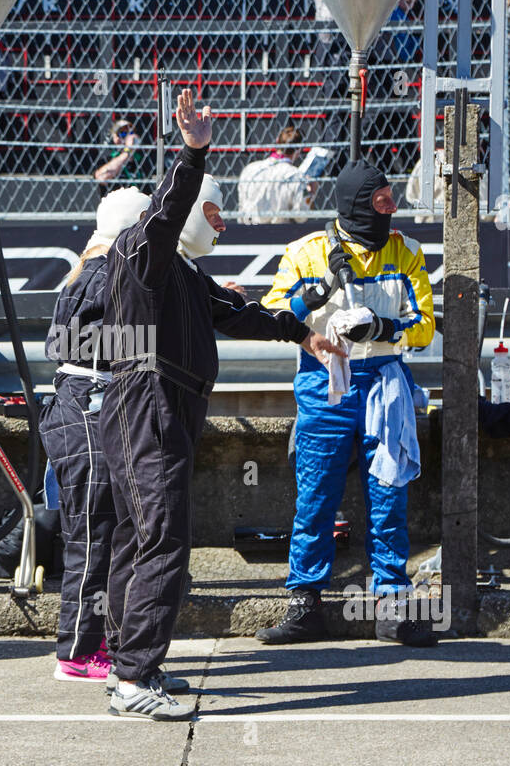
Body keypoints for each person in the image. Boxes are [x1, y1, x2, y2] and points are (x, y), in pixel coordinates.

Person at [102, 90, 340, 720]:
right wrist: (193, 152)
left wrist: (301, 329)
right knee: (161, 537)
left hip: (162, 408)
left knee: (137, 536)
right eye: (214, 209)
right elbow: (168, 209)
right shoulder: (143, 252)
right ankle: (134, 679)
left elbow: (240, 313)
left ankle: (126, 661)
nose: (222, 222)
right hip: (147, 405)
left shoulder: (182, 273)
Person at [257, 159, 437, 648]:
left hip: (384, 383)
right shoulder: (305, 252)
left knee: (389, 497)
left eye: (392, 199)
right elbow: (272, 317)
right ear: (358, 204)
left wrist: (381, 328)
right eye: (381, 202)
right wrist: (306, 302)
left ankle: (392, 608)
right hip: (324, 383)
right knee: (315, 496)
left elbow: (424, 325)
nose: (391, 208)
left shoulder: (407, 251)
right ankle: (305, 604)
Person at [39, 187, 150, 683]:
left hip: (86, 402)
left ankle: (94, 641)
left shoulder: (96, 267)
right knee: (92, 531)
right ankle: (77, 653)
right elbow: (60, 343)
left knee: (101, 529)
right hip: (85, 404)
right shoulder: (104, 271)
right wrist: (154, 343)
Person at [237, 123, 317, 224]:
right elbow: (300, 217)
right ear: (298, 151)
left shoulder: (250, 169)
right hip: (280, 232)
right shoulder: (295, 175)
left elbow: (242, 207)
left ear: (277, 141)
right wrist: (311, 193)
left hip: (248, 229)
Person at [93, 119, 144, 189]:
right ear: (115, 139)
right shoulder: (106, 160)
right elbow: (101, 177)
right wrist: (127, 151)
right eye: (123, 134)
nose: (129, 137)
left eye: (131, 133)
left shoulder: (142, 160)